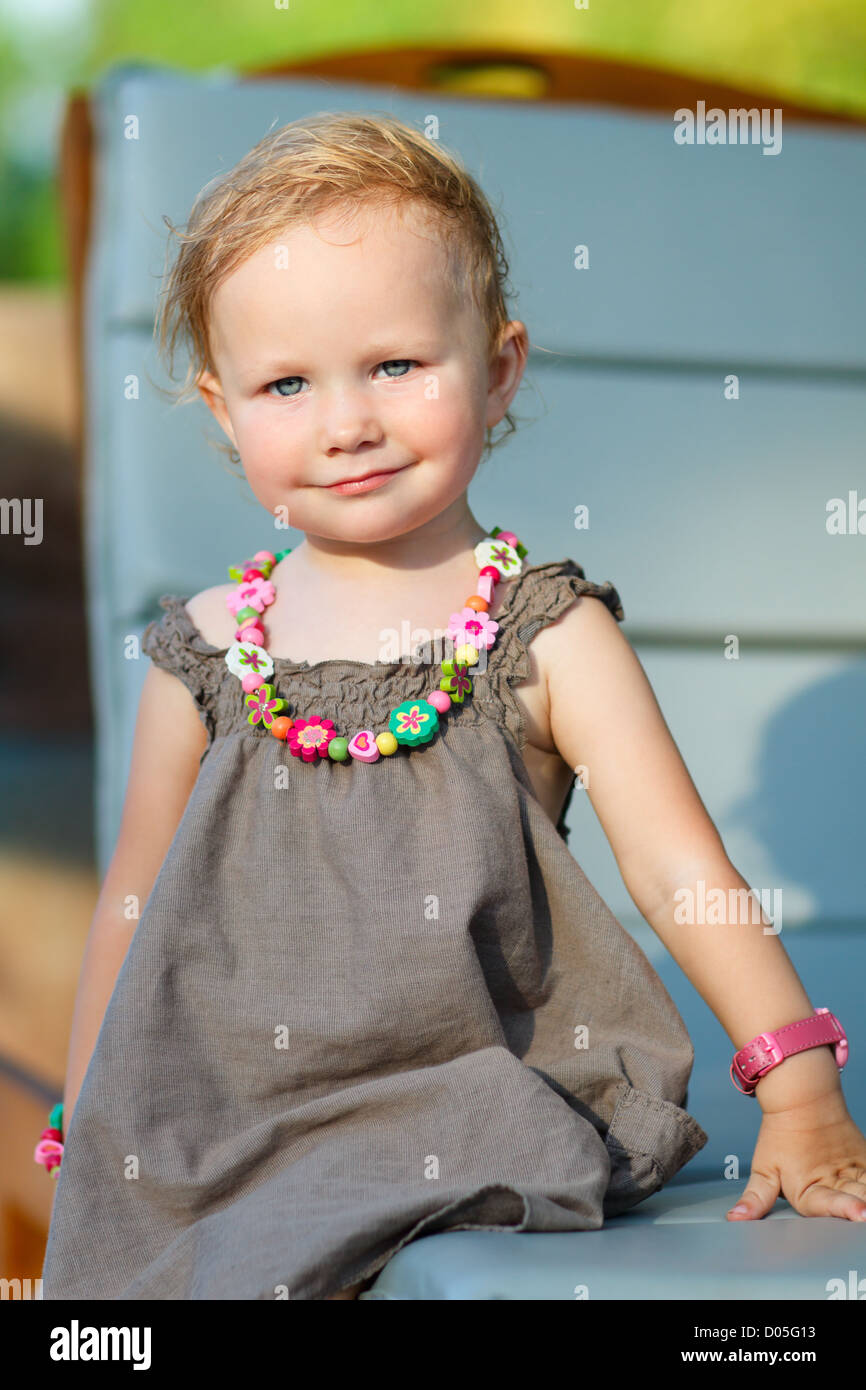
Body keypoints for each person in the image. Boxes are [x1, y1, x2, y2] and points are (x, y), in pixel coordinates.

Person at [40, 112, 866, 1302]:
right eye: (286, 384)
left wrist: (799, 1091)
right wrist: (93, 1127)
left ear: (499, 364)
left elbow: (679, 868)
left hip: (472, 1098)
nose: (347, 423)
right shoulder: (209, 653)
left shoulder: (543, 632)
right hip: (216, 1114)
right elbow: (131, 906)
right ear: (225, 416)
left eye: (395, 365)